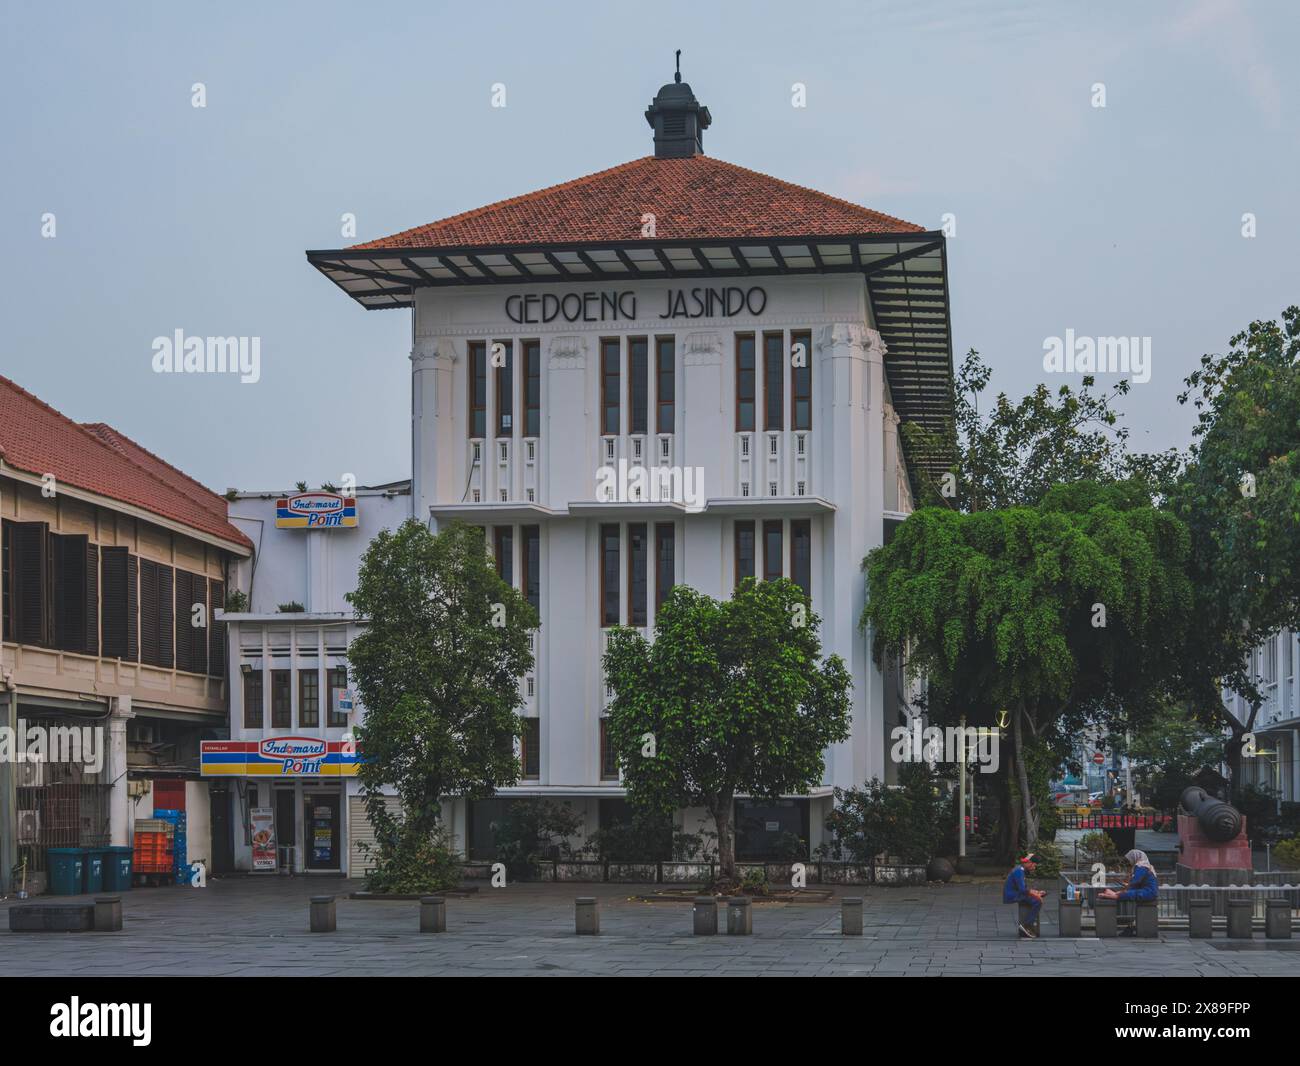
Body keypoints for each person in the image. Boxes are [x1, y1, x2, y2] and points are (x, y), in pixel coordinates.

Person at [1100, 849, 1159, 936]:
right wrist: (1127, 886)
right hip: (1147, 891)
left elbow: (1135, 881)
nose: (1129, 861)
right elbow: (1136, 882)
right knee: (1128, 893)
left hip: (1148, 892)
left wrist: (1126, 888)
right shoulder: (1145, 866)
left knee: (1129, 894)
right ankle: (1112, 894)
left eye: (1130, 859)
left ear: (1135, 857)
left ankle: (1111, 895)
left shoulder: (1141, 866)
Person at [1003, 853, 1046, 938]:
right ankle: (1027, 926)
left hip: (1015, 893)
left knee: (1037, 898)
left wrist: (1036, 892)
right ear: (1029, 862)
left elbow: (1024, 888)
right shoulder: (1019, 871)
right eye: (1034, 865)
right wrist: (1036, 895)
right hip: (1013, 895)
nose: (1034, 868)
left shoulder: (1020, 869)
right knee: (1038, 901)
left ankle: (1028, 924)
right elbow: (1023, 890)